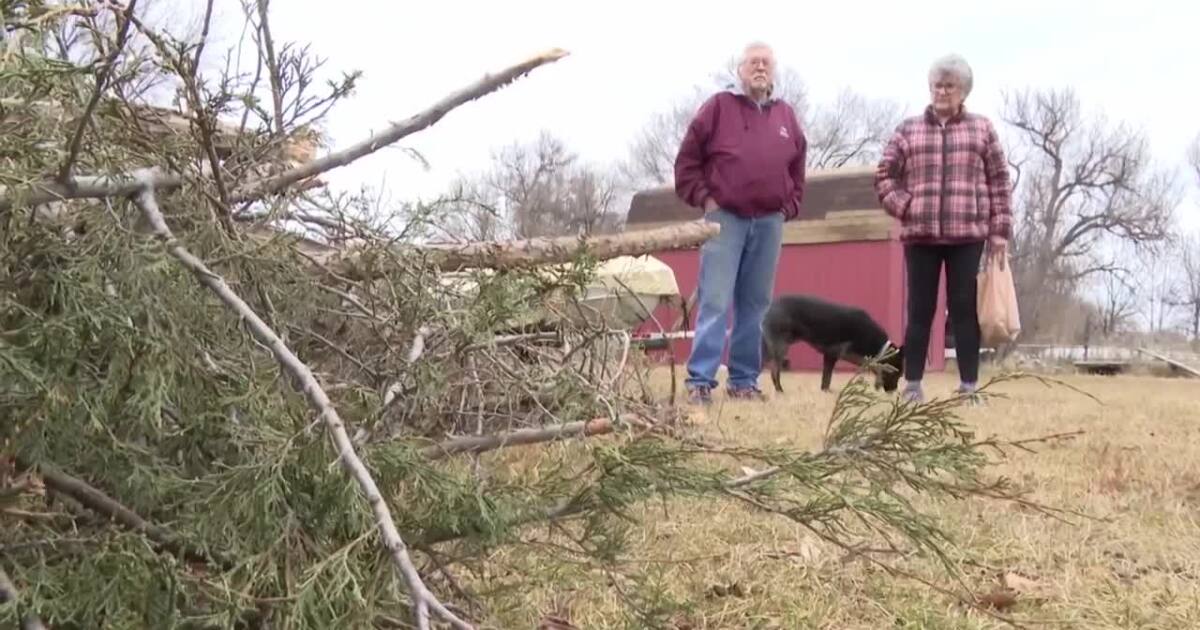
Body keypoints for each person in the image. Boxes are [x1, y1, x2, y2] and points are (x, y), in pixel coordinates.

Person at [873, 53, 1013, 404]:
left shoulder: (982, 129)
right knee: (920, 310)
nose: (942, 91)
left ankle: (969, 387)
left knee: (964, 310)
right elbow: (884, 176)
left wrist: (999, 231)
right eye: (937, 85)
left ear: (963, 91)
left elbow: (999, 181)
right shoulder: (908, 130)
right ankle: (912, 386)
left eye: (950, 86)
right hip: (920, 236)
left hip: (967, 234)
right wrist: (906, 206)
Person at [674, 41, 808, 404]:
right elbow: (687, 161)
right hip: (725, 219)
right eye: (753, 62)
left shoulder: (786, 116)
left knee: (756, 305)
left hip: (768, 222)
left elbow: (798, 167)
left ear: (773, 71)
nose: (760, 68)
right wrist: (706, 199)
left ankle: (744, 381)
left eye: (766, 63)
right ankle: (700, 380)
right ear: (740, 70)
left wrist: (789, 206)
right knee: (715, 300)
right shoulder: (718, 107)